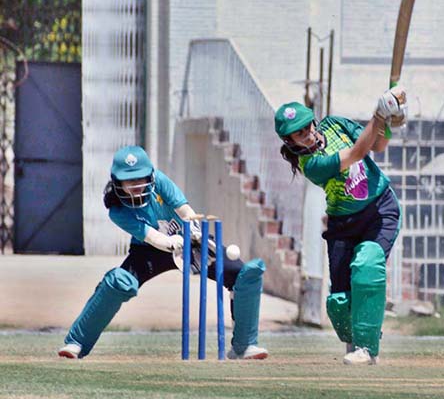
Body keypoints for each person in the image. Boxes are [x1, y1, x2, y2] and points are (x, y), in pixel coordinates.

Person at [58, 145, 269, 360]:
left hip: (189, 239)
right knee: (118, 282)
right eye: (129, 181)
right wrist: (170, 243)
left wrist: (194, 232)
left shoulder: (159, 180)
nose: (136, 185)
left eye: (140, 178)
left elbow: (185, 210)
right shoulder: (117, 211)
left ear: (150, 175)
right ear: (117, 181)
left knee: (242, 274)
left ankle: (244, 346)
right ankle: (77, 342)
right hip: (148, 250)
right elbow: (151, 237)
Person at [273, 86, 406, 365]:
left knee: (367, 264)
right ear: (290, 141)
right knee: (339, 303)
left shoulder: (334, 124)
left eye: (307, 127)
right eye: (298, 134)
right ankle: (354, 345)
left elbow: (377, 145)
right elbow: (356, 153)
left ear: (313, 121)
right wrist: (379, 114)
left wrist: (388, 120)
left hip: (379, 210)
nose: (307, 134)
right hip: (343, 223)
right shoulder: (311, 164)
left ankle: (367, 349)